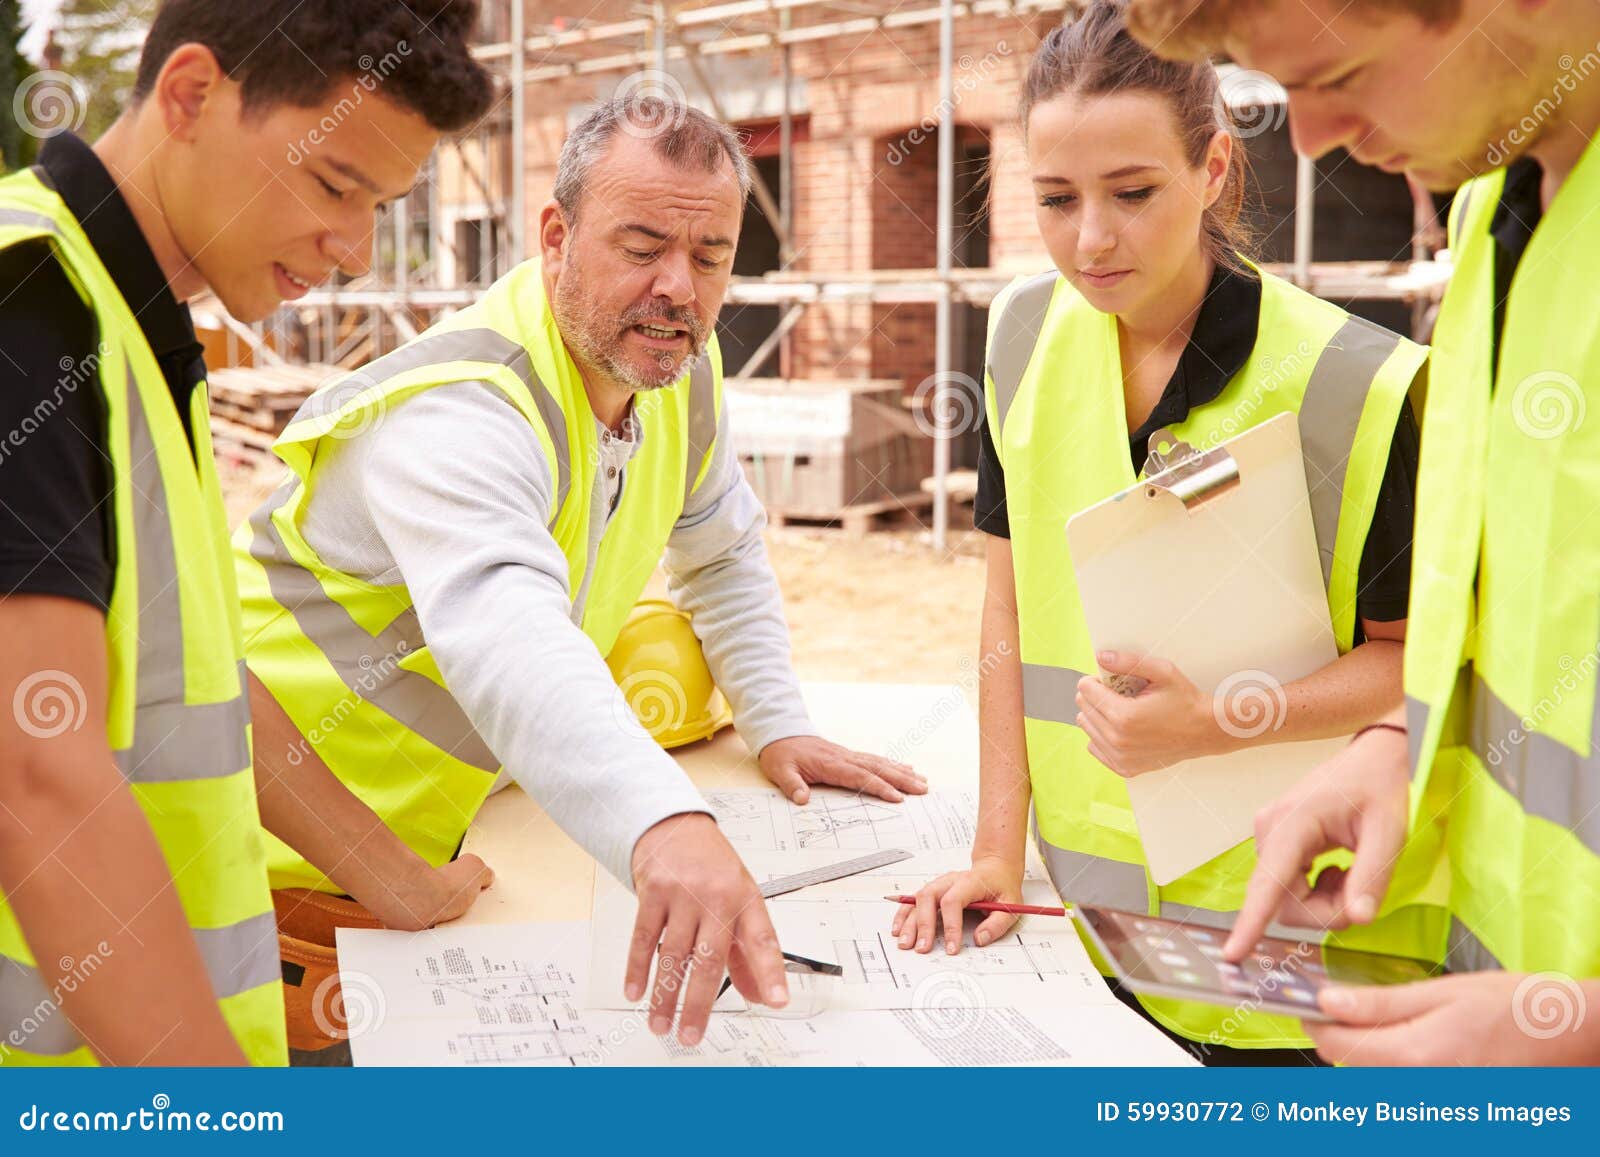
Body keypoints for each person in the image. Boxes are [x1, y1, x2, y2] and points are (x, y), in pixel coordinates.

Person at [234, 96, 926, 1053]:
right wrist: (664, 827)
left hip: (444, 859)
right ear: (556, 237)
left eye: (712, 256)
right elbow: (507, 634)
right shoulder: (459, 411)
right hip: (279, 867)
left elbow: (720, 550)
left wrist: (778, 720)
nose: (679, 288)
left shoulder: (677, 367)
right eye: (640, 247)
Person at [891, 0, 1446, 1065]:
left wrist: (1223, 721)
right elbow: (1007, 608)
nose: (1091, 239)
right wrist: (996, 852)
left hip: (1294, 961)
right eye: (1055, 199)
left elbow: (1415, 662)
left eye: (1133, 193)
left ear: (1215, 172)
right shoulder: (1016, 336)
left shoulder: (1353, 385)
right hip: (1091, 953)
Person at [0, 0, 492, 1065]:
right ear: (190, 95)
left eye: (384, 205)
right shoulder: (29, 305)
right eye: (332, 183)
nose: (354, 249)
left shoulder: (133, 326)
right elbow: (37, 775)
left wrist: (393, 878)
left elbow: (200, 676)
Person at [1125, 0, 1600, 1065]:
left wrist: (1578, 1031)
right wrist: (1396, 747)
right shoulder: (1493, 216)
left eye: (1339, 77)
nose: (1305, 138)